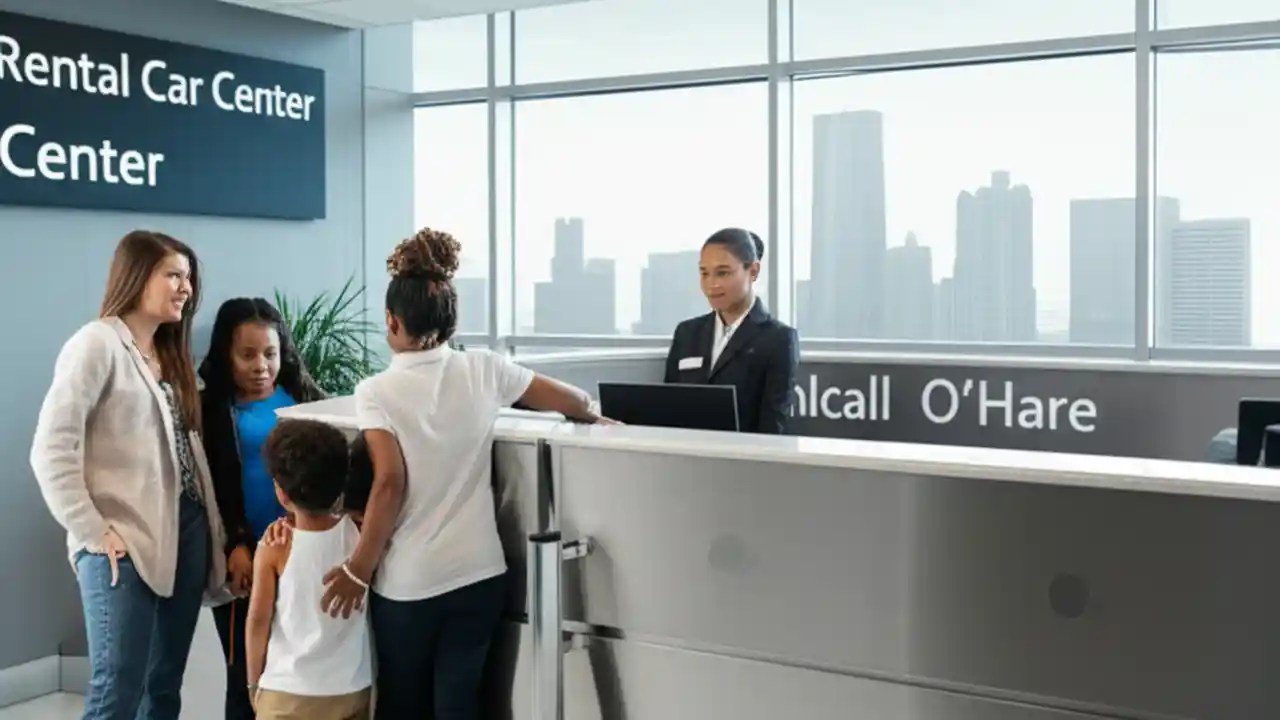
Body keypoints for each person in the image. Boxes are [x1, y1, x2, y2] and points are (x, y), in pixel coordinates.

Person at [319, 227, 608, 719]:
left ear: (392, 321)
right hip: (481, 575)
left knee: (404, 708)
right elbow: (575, 401)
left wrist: (357, 570)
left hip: (411, 585)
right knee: (462, 706)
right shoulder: (484, 369)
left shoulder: (377, 391)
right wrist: (599, 420)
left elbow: (389, 483)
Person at [30, 230, 228, 720]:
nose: (185, 287)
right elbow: (50, 449)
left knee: (162, 686)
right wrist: (92, 530)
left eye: (188, 277)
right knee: (116, 689)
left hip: (186, 530)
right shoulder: (96, 343)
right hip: (121, 540)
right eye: (172, 275)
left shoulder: (169, 355)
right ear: (137, 276)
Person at [199, 297, 326, 720]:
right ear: (226, 356)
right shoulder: (213, 412)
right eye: (247, 355)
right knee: (245, 678)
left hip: (301, 559)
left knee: (296, 672)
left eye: (269, 354)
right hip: (244, 561)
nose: (260, 366)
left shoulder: (306, 399)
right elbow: (211, 484)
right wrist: (235, 543)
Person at [245, 419, 372, 720]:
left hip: (286, 694)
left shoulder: (273, 547)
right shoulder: (361, 537)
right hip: (350, 690)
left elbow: (257, 621)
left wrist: (253, 683)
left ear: (282, 493)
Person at [664, 227, 799, 434]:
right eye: (704, 273)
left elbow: (773, 422)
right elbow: (666, 407)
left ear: (753, 271)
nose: (712, 284)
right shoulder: (687, 333)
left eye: (723, 273)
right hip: (687, 455)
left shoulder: (778, 338)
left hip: (743, 459)